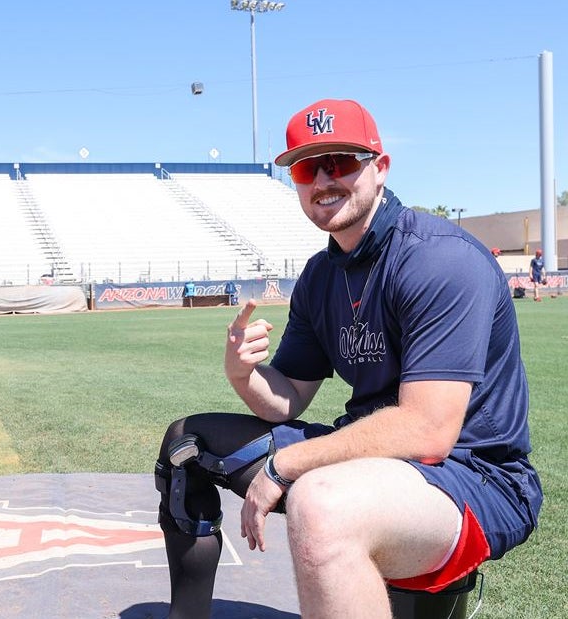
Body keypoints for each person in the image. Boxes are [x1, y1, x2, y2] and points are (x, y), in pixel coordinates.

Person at [154, 99, 541, 618]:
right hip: (372, 459)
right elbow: (286, 397)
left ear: (379, 168)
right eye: (307, 167)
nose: (323, 180)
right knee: (187, 444)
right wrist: (242, 374)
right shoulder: (320, 275)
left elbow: (428, 431)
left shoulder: (438, 259)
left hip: (472, 476)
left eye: (340, 162)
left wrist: (286, 465)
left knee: (320, 504)